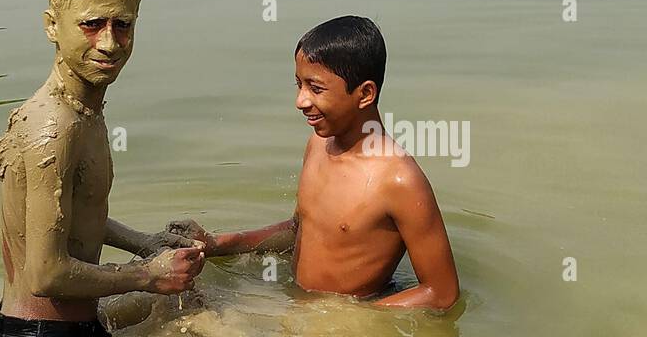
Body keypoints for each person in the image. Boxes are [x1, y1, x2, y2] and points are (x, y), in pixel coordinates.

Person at [0, 0, 205, 337]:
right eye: (91, 24)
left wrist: (147, 243)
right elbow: (46, 275)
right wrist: (148, 275)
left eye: (123, 25)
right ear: (52, 25)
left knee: (190, 295)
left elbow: (76, 215)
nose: (109, 43)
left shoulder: (82, 105)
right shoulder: (55, 127)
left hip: (56, 329)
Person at [169, 16, 459, 310]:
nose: (300, 100)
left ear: (365, 94)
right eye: (298, 84)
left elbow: (441, 293)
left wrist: (352, 319)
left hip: (345, 328)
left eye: (315, 89)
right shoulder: (318, 145)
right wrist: (219, 244)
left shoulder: (399, 181)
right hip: (298, 309)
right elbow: (300, 230)